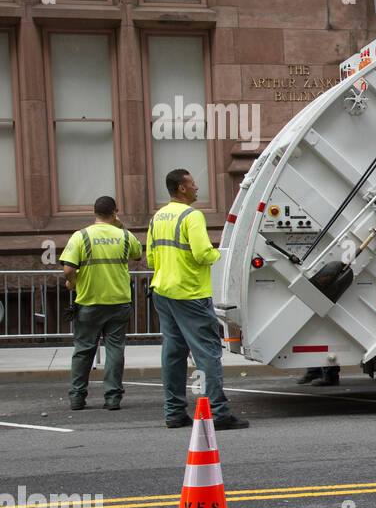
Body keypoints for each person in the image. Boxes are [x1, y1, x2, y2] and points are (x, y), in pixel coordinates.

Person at [147, 168, 249, 430]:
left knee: (173, 353)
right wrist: (221, 257)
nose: (197, 188)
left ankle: (174, 412)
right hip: (190, 293)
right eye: (192, 184)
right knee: (207, 353)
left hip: (163, 291)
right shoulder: (192, 216)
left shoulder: (158, 217)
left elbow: (150, 258)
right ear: (181, 188)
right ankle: (218, 413)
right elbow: (203, 254)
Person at [59, 195, 142, 411]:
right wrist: (120, 224)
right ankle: (113, 397)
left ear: (94, 212)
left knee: (84, 350)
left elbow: (68, 268)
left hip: (89, 301)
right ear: (115, 212)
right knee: (115, 350)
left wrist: (73, 283)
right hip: (118, 302)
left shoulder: (81, 236)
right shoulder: (124, 235)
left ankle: (77, 398)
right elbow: (137, 254)